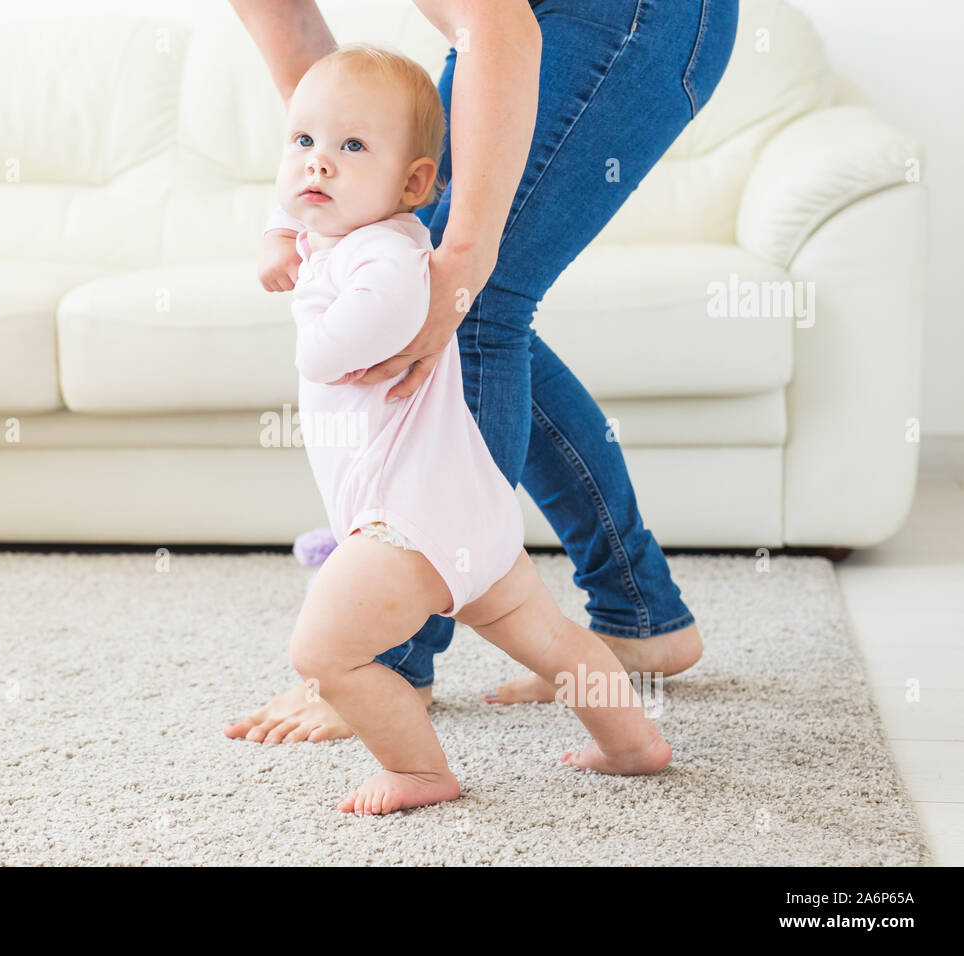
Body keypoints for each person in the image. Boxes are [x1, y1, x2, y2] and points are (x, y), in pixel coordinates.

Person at [225, 0, 738, 745]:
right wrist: (319, 202)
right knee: (461, 308)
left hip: (628, 15)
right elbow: (313, 63)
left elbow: (498, 25)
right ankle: (640, 612)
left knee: (467, 303)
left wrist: (459, 269)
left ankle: (389, 657)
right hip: (519, 19)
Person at [267, 44, 672, 814]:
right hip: (462, 506)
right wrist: (278, 234)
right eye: (303, 144)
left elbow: (338, 345)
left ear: (415, 183)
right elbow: (299, 195)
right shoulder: (347, 240)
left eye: (351, 147)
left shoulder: (383, 255)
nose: (318, 165)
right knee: (549, 637)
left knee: (321, 652)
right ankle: (633, 742)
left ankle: (419, 771)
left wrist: (310, 313)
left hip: (408, 523)